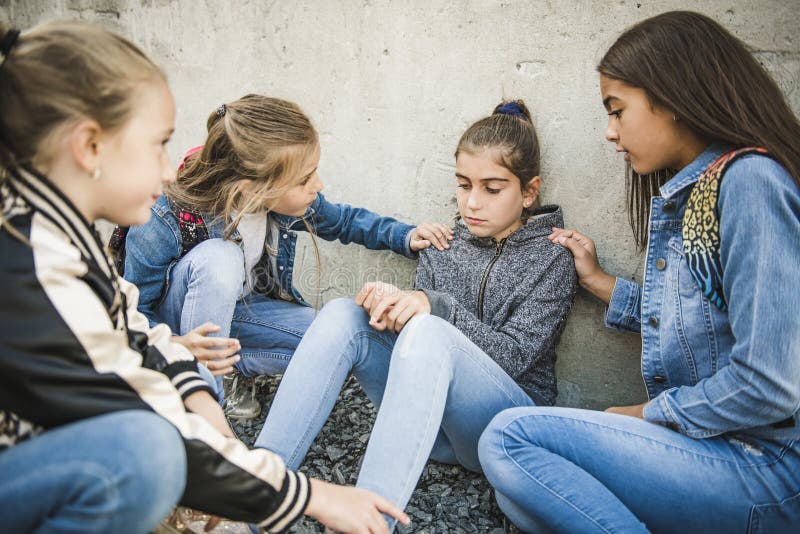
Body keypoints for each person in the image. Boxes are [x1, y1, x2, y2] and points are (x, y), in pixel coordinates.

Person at [0, 20, 409, 533]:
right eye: (158, 145)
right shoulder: (31, 263)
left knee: (334, 329)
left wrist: (204, 409)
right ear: (90, 146)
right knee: (148, 454)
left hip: (228, 334)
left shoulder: (54, 230)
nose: (169, 168)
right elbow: (134, 384)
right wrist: (310, 495)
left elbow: (135, 330)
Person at [478, 11, 800, 533]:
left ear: (673, 98)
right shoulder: (699, 191)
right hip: (712, 450)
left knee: (508, 439)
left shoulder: (750, 182)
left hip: (765, 465)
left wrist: (644, 415)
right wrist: (600, 283)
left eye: (617, 110)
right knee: (525, 499)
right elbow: (704, 324)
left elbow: (769, 383)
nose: (609, 133)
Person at [256, 99, 577, 529]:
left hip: (504, 429)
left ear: (529, 191)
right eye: (464, 185)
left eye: (492, 188)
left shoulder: (553, 257)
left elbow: (517, 355)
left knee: (429, 331)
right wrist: (391, 306)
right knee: (341, 315)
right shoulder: (444, 242)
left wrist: (433, 309)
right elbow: (419, 343)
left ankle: (369, 524)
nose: (472, 203)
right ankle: (257, 488)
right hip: (434, 431)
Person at [115, 94, 451, 407]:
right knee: (220, 256)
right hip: (182, 331)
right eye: (305, 179)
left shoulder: (278, 200)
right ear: (251, 189)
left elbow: (343, 221)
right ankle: (203, 401)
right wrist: (179, 349)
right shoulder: (163, 216)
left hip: (241, 312)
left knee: (339, 341)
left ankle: (233, 368)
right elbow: (137, 314)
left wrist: (406, 236)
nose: (317, 185)